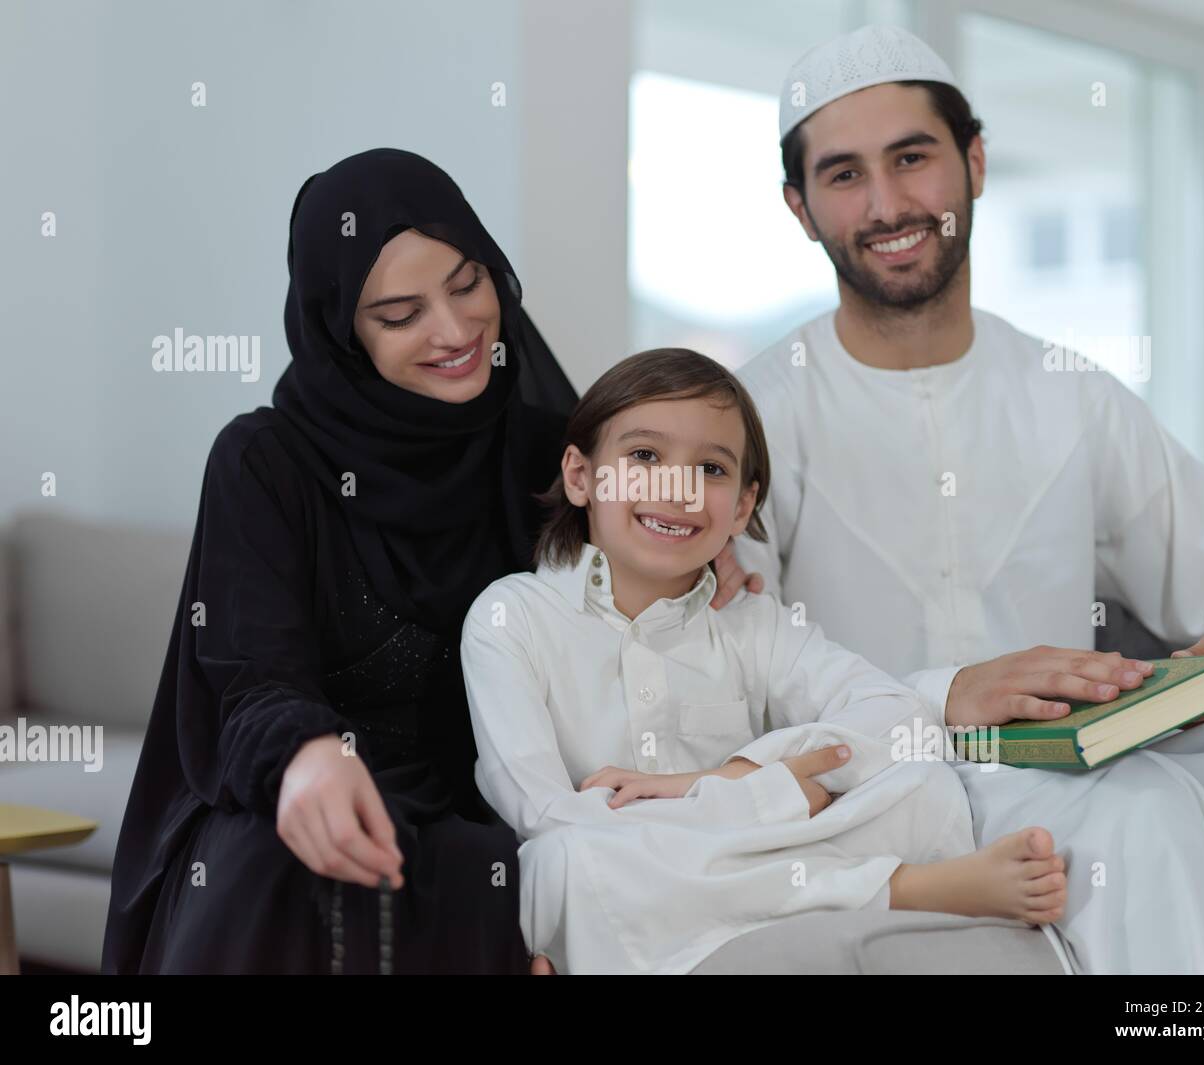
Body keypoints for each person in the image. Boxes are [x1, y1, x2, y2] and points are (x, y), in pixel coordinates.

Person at [715, 25, 1204, 973]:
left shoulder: (1070, 391)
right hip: (886, 780)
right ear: (800, 208)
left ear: (975, 162)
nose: (888, 204)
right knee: (1139, 817)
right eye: (845, 175)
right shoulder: (747, 421)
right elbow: (735, 680)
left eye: (912, 159)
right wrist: (940, 699)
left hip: (1080, 756)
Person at [101, 148, 580, 973]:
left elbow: (642, 565)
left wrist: (707, 566)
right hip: (304, 799)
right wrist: (306, 756)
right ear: (341, 331)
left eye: (468, 284)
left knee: (501, 863)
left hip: (484, 811)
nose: (456, 330)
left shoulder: (546, 450)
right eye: (399, 314)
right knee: (283, 860)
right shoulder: (266, 461)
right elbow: (251, 675)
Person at [460, 348, 1069, 975]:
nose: (677, 488)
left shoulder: (754, 622)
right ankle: (902, 888)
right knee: (561, 865)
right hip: (635, 864)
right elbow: (542, 813)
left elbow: (891, 713)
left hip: (747, 856)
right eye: (645, 456)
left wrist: (739, 775)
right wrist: (772, 799)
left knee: (923, 783)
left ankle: (733, 910)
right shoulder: (510, 618)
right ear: (581, 476)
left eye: (711, 468)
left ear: (744, 507)